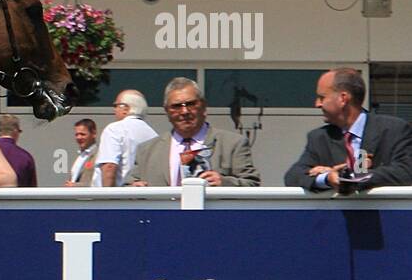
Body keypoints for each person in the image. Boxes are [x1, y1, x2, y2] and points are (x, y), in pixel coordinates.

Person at [284, 69, 412, 193]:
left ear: (343, 98)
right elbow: (293, 176)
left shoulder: (393, 130)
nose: (317, 104)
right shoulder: (319, 138)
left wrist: (349, 176)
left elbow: (406, 172)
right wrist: (327, 178)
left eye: (322, 98)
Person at [127, 78, 260, 187]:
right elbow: (128, 186)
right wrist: (134, 189)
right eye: (177, 106)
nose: (184, 112)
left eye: (190, 104)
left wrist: (224, 183)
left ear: (203, 107)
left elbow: (253, 184)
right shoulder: (147, 150)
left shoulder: (232, 144)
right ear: (167, 111)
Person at [94, 89, 157, 186]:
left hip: (117, 197)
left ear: (126, 108)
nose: (114, 109)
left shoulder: (114, 129)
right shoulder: (153, 134)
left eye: (116, 105)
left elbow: (109, 167)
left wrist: (107, 198)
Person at [0, 114, 36, 186]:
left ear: (0, 131)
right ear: (16, 131)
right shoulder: (25, 157)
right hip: (18, 196)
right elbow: (32, 190)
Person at [64, 117, 96, 186]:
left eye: (82, 134)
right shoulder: (81, 157)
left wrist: (75, 186)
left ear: (93, 133)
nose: (79, 137)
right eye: (77, 134)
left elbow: (99, 183)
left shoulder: (99, 155)